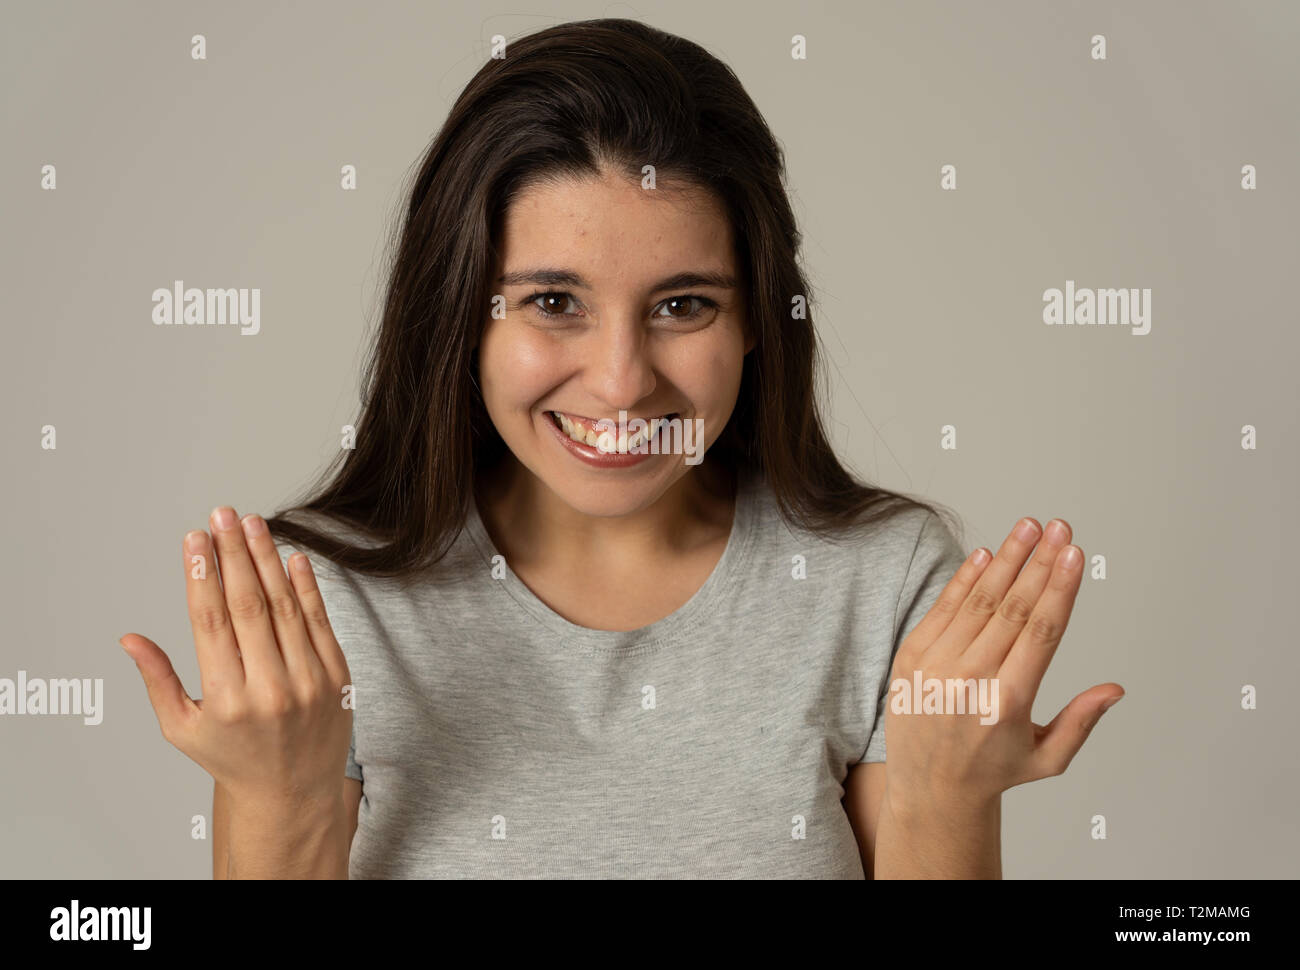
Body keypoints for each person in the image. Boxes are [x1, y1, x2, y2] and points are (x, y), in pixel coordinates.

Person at [119, 18, 1122, 879]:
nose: (620, 380)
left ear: (757, 322)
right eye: (553, 303)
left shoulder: (879, 583)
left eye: (682, 305)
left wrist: (948, 801)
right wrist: (274, 803)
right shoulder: (323, 605)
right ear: (459, 315)